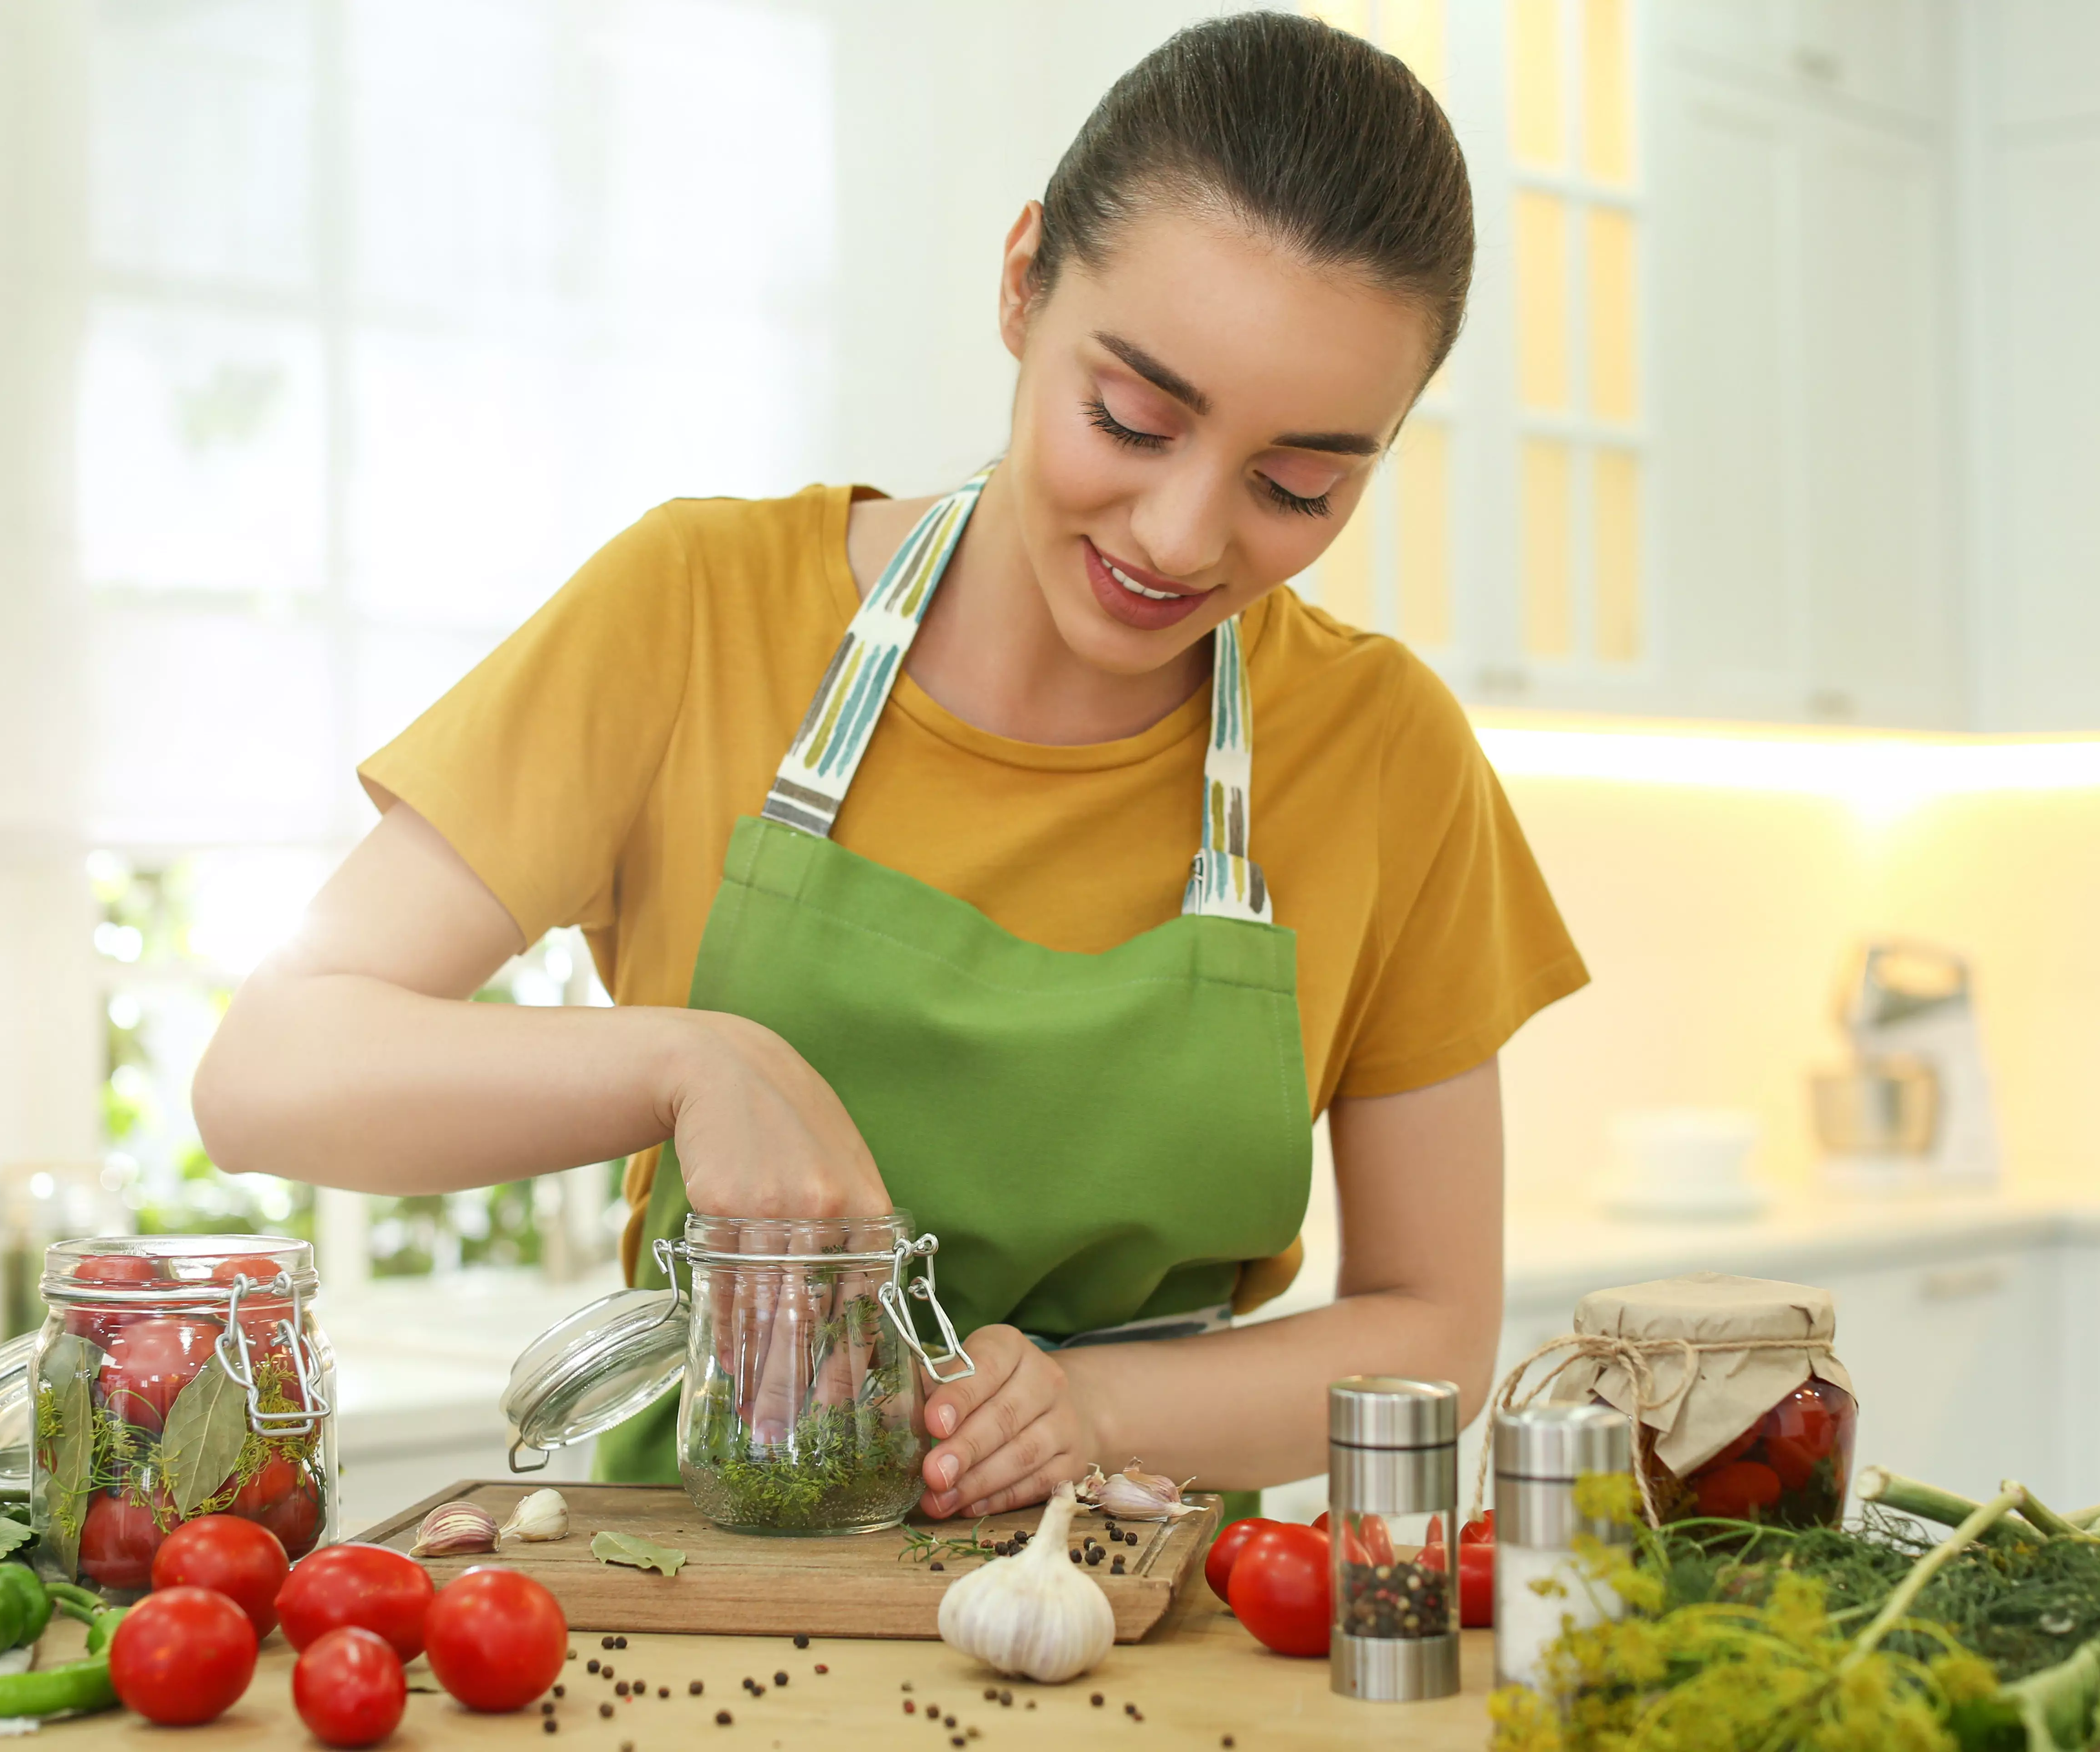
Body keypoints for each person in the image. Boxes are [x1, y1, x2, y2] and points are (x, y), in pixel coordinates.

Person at [195, 10, 1586, 1522]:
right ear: (1020, 283)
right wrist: (694, 1058)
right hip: (694, 1593)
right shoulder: (699, 609)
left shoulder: (1388, 752)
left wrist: (1093, 1406)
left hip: (1140, 1610)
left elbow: (1435, 1328)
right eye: (1128, 417)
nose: (1184, 537)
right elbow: (272, 1069)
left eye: (1297, 485)